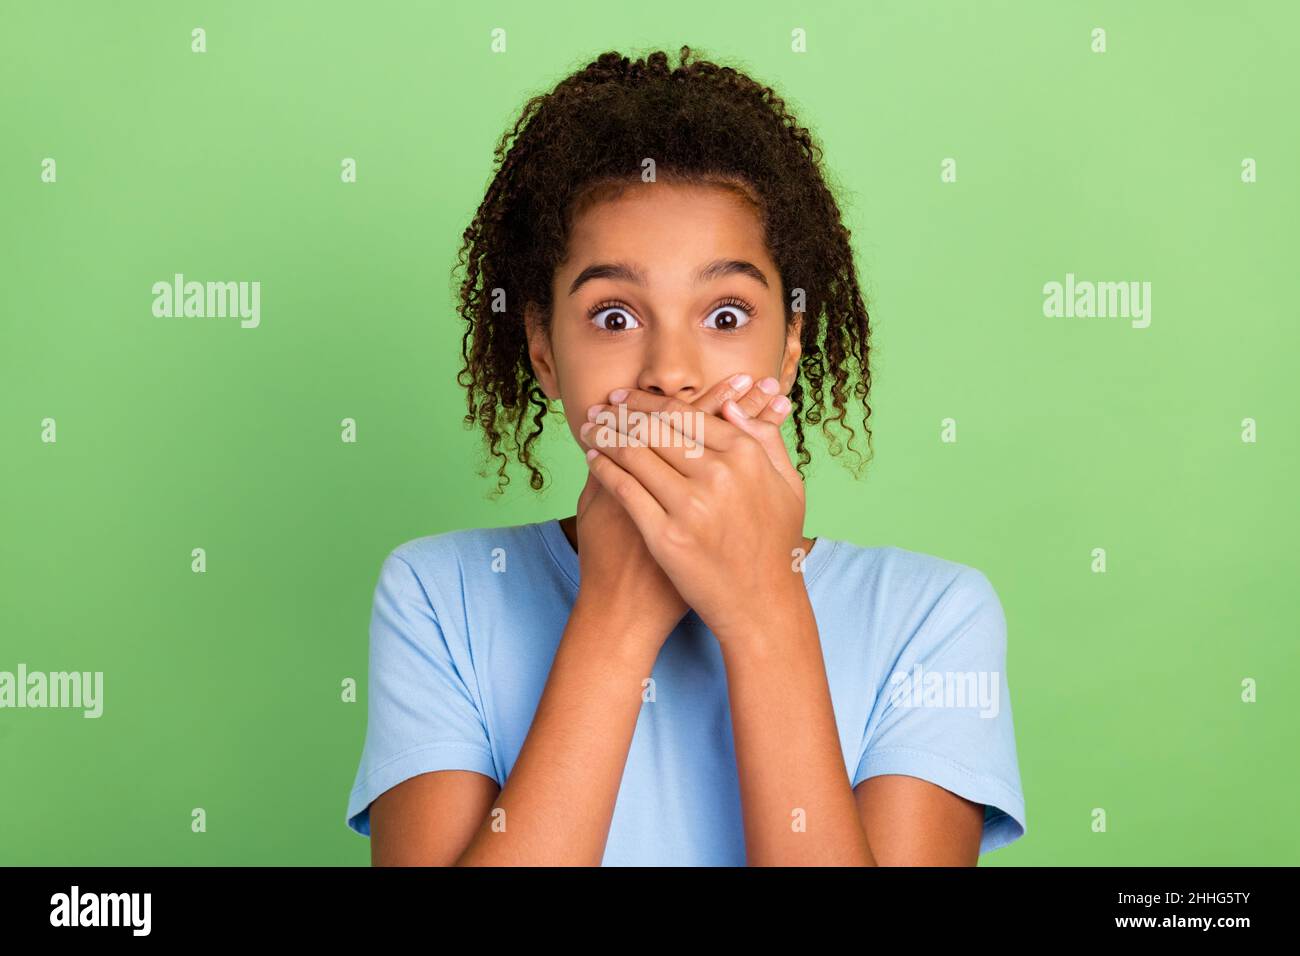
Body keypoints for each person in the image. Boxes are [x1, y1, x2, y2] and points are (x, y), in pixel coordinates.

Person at [345, 46, 1025, 865]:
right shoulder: (437, 598)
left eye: (727, 316)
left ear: (788, 350)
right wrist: (618, 614)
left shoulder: (933, 619)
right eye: (614, 317)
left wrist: (763, 608)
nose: (670, 373)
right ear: (543, 351)